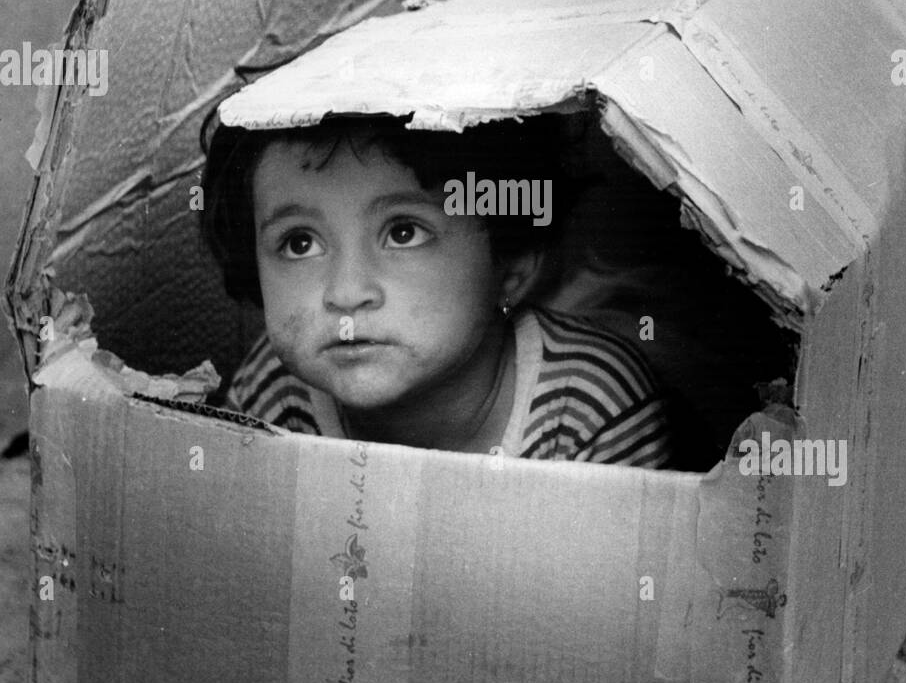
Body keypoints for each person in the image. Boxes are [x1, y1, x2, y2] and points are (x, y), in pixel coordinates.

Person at [199, 111, 688, 469]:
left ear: (511, 267)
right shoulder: (274, 388)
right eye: (299, 243)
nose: (346, 293)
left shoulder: (589, 408)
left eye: (404, 232)